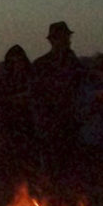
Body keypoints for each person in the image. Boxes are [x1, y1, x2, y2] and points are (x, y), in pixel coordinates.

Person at [30, 21, 86, 172]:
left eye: (66, 37)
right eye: (61, 37)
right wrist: (42, 122)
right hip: (50, 126)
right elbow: (35, 96)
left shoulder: (77, 65)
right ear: (52, 40)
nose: (66, 40)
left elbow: (82, 92)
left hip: (73, 125)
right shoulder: (41, 65)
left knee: (73, 170)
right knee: (53, 169)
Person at [0, 44, 34, 161]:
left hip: (26, 121)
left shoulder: (31, 78)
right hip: (6, 122)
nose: (17, 64)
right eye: (14, 61)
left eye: (19, 60)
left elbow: (34, 95)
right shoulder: (3, 79)